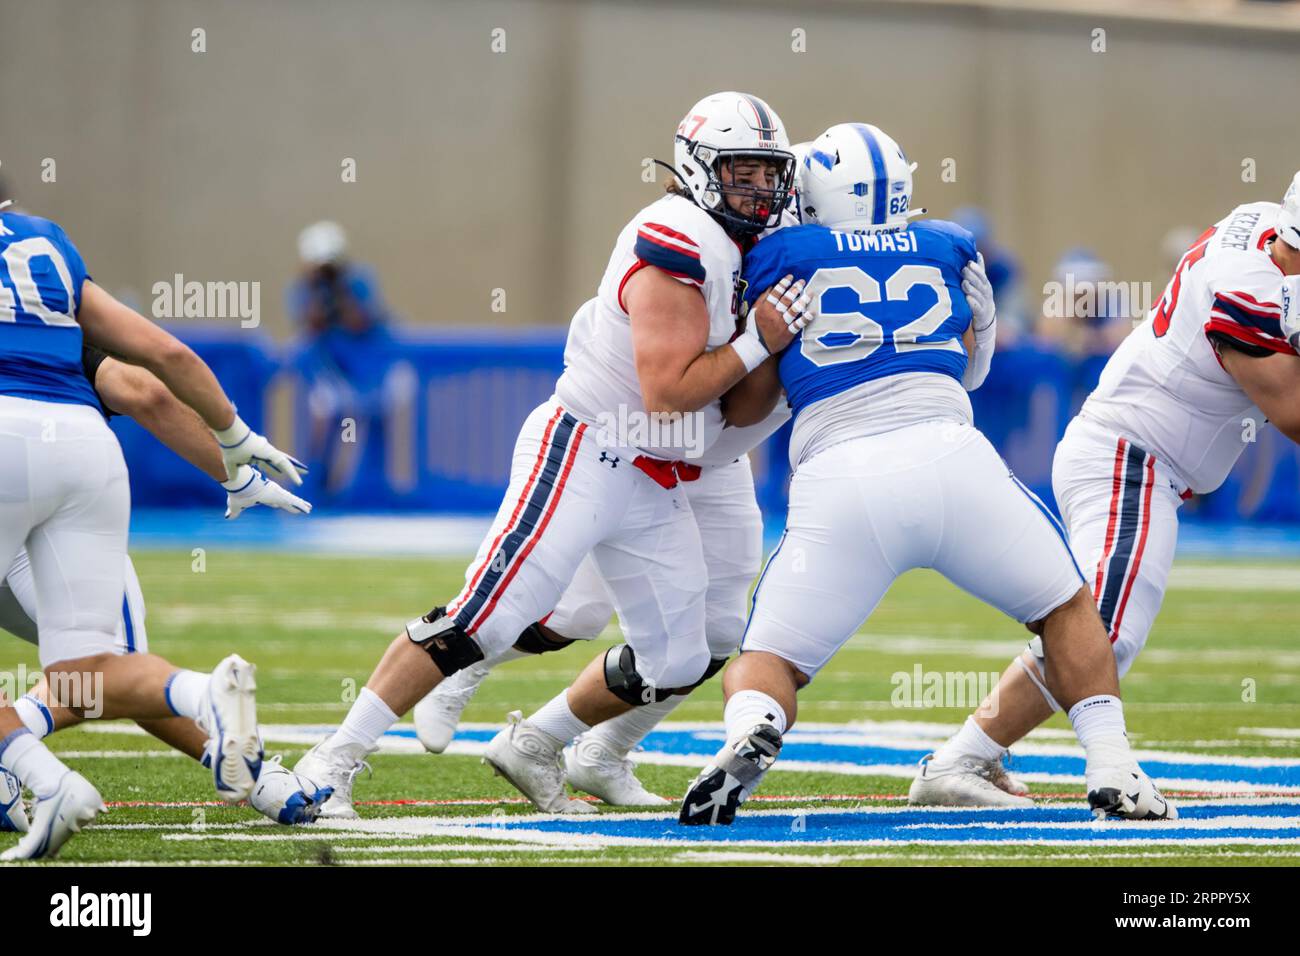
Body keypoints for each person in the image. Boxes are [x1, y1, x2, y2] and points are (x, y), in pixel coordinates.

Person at [293, 91, 809, 817]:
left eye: (767, 174)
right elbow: (667, 392)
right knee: (488, 616)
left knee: (684, 655)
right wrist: (760, 340)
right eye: (740, 173)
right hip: (591, 444)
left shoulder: (764, 240)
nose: (759, 191)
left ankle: (551, 744)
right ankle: (328, 766)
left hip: (659, 468)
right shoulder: (679, 235)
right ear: (699, 169)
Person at [677, 122, 1173, 826]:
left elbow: (749, 403)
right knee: (1068, 612)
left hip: (840, 479)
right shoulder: (947, 245)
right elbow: (971, 372)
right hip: (952, 459)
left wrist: (763, 345)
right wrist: (985, 322)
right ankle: (1113, 767)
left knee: (772, 659)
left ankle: (750, 729)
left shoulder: (779, 254)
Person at [912, 171, 1300, 807]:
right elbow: (1293, 411)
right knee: (1103, 632)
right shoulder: (1248, 291)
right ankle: (984, 762)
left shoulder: (1262, 225)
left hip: (1141, 458)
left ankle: (965, 759)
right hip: (1131, 455)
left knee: (1101, 631)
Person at [0, 208, 306, 858]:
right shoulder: (47, 261)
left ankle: (24, 765)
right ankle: (235, 740)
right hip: (80, 467)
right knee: (105, 669)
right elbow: (150, 383)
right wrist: (235, 463)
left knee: (102, 674)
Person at [411, 298, 793, 806]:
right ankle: (463, 664)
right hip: (636, 447)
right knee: (573, 614)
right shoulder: (694, 259)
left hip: (717, 463)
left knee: (715, 635)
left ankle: (594, 752)